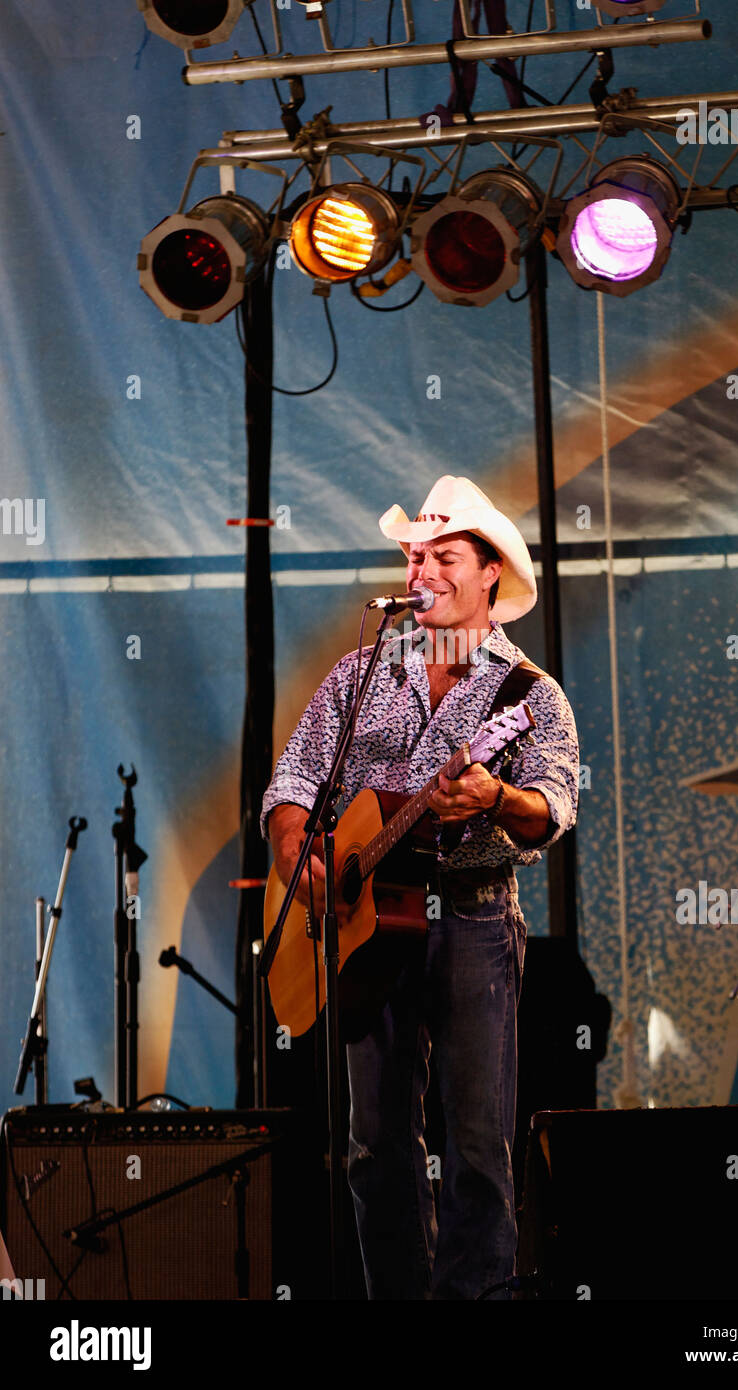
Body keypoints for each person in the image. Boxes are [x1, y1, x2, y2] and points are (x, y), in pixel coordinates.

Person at [261, 475, 579, 1300]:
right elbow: (292, 781)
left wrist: (499, 798)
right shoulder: (360, 673)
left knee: (476, 1144)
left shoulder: (530, 697)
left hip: (472, 921)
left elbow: (553, 808)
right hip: (368, 932)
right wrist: (300, 846)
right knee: (376, 1146)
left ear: (489, 576)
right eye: (413, 556)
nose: (420, 571)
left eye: (442, 555)